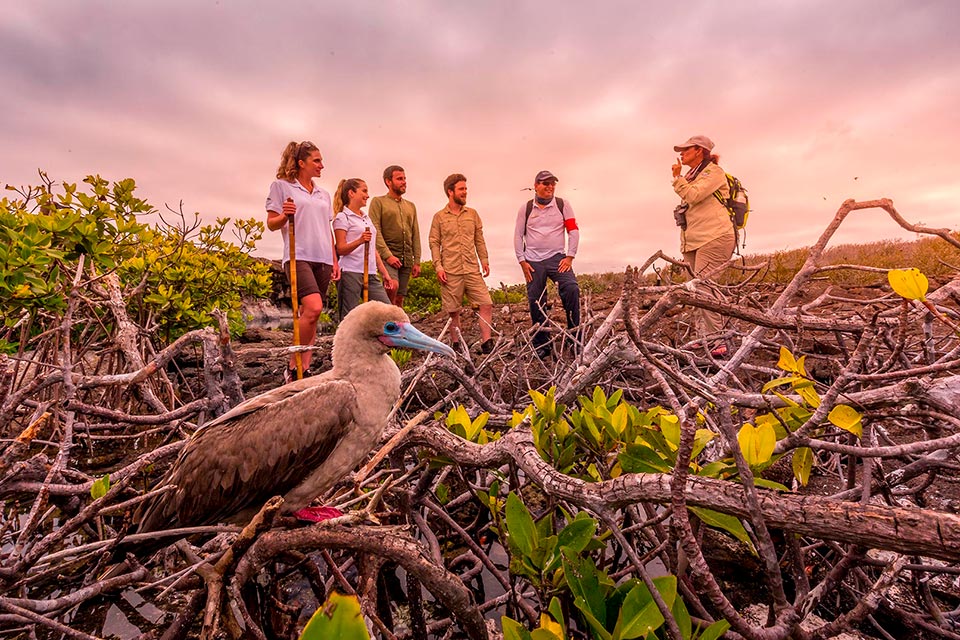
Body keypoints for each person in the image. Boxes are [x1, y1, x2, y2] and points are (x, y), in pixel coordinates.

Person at [266, 140, 340, 382]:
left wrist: (335, 259)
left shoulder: (324, 194)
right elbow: (271, 223)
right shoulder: (282, 187)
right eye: (316, 161)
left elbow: (327, 228)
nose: (322, 165)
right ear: (301, 163)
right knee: (314, 307)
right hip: (299, 256)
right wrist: (285, 215)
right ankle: (293, 364)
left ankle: (303, 369)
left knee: (310, 315)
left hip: (323, 258)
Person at [671, 135, 736, 357]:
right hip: (694, 240)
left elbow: (694, 195)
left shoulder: (713, 172)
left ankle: (718, 340)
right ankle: (705, 338)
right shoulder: (693, 174)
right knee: (694, 289)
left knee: (704, 287)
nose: (681, 153)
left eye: (686, 149)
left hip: (715, 236)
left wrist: (677, 178)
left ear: (699, 150)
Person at [513, 170, 581, 359]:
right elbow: (518, 235)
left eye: (552, 183)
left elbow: (573, 231)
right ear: (536, 186)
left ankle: (575, 336)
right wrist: (522, 261)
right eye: (545, 183)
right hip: (533, 260)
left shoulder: (562, 205)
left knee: (571, 289)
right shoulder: (526, 208)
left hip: (557, 258)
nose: (550, 187)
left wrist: (570, 257)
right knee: (535, 298)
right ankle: (542, 343)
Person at [429, 174, 494, 354]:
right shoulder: (439, 217)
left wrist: (484, 260)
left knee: (486, 303)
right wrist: (438, 267)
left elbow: (479, 239)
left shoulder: (472, 214)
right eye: (461, 189)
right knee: (453, 311)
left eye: (465, 188)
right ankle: (457, 345)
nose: (465, 192)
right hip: (450, 270)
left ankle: (487, 342)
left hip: (472, 268)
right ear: (450, 192)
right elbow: (434, 242)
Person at [332, 178, 397, 318]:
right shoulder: (342, 217)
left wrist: (385, 274)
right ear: (351, 193)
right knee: (349, 317)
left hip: (370, 272)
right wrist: (360, 240)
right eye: (364, 191)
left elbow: (372, 248)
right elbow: (340, 249)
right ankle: (345, 340)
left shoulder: (366, 218)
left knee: (387, 311)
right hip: (350, 272)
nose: (367, 195)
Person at [368, 165, 421, 308]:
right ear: (388, 182)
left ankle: (398, 328)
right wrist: (388, 255)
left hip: (406, 257)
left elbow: (415, 233)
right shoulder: (378, 202)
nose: (404, 182)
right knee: (392, 286)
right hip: (387, 255)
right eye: (399, 179)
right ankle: (386, 324)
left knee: (399, 299)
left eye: (404, 178)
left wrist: (417, 261)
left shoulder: (411, 206)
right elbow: (375, 230)